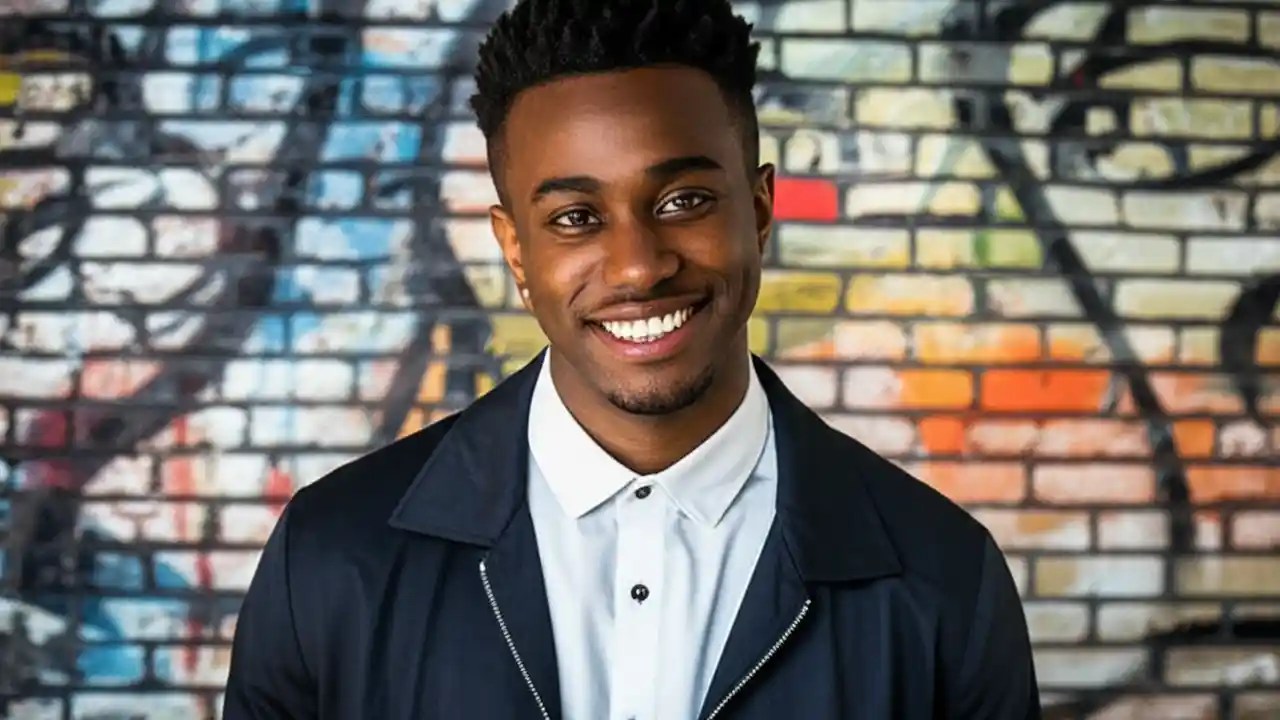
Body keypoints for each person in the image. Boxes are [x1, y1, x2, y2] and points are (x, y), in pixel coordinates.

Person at [222, 0, 1041, 717]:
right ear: (515, 249)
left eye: (683, 202)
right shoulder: (330, 560)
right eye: (576, 217)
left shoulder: (944, 581)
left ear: (759, 211)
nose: (639, 267)